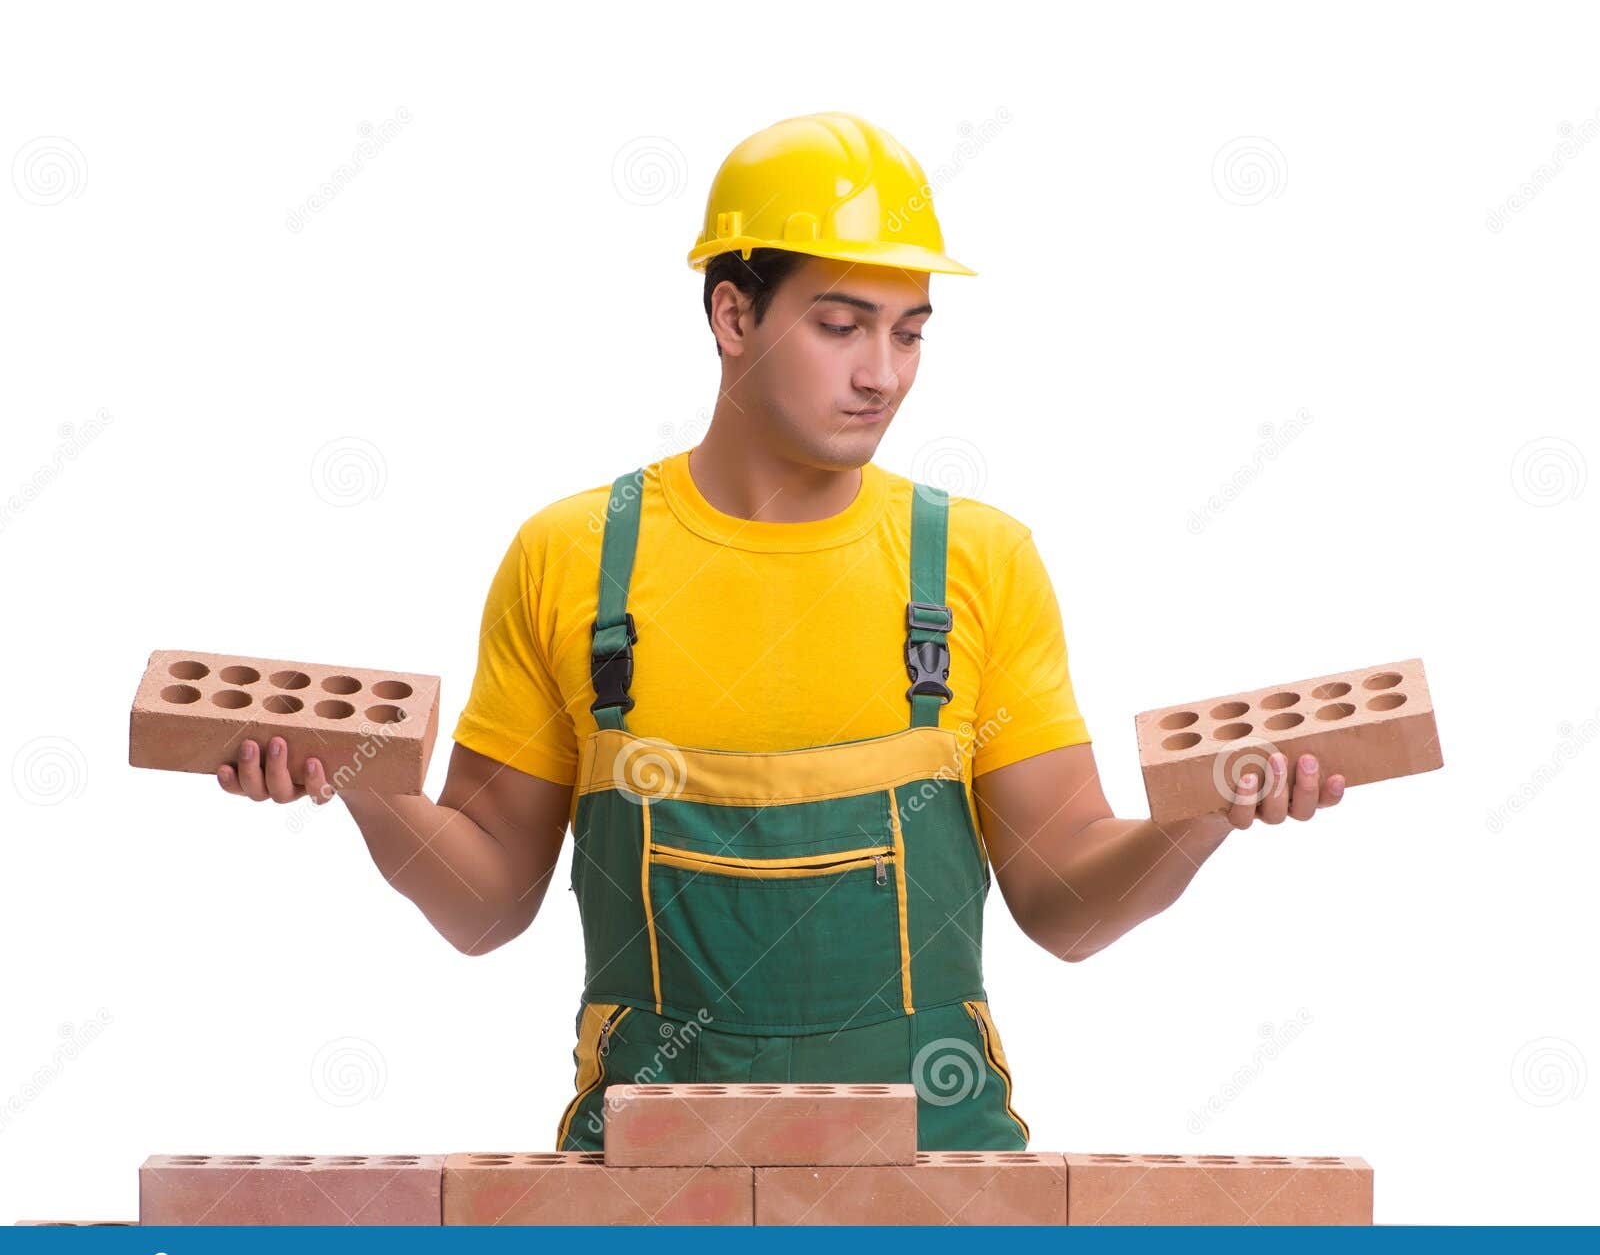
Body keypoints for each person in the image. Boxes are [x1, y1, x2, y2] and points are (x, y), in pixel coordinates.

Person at [217, 112, 1344, 1151]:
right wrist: (364, 784)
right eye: (840, 326)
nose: (882, 375)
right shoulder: (573, 559)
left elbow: (1063, 905)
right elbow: (486, 905)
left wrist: (1201, 821)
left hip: (934, 1189)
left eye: (910, 332)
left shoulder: (972, 566)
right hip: (648, 1201)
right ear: (731, 313)